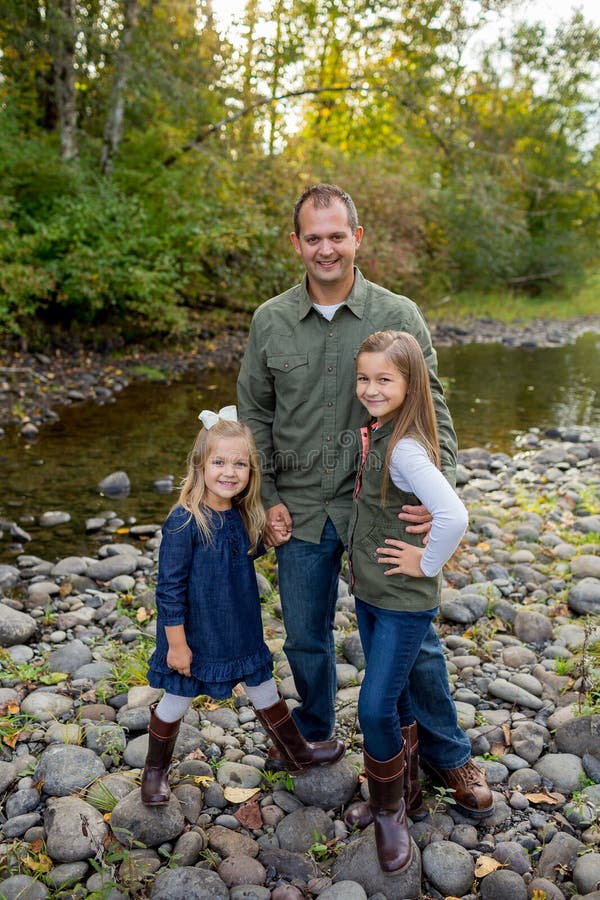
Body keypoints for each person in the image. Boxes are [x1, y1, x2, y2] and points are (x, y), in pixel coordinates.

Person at [237, 183, 492, 819]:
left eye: (337, 235)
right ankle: (315, 730)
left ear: (357, 238)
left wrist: (437, 489)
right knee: (305, 636)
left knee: (414, 640)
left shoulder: (397, 314)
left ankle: (446, 753)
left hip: (379, 504)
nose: (326, 248)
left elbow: (433, 408)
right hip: (298, 506)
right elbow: (254, 416)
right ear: (296, 243)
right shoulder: (270, 320)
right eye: (313, 237)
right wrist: (265, 498)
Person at [141, 406, 344, 806]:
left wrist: (267, 541)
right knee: (176, 699)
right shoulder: (184, 521)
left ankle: (296, 752)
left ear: (251, 471)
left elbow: (237, 556)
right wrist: (177, 645)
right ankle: (154, 770)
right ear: (200, 465)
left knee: (264, 687)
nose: (229, 472)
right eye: (219, 462)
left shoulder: (239, 514)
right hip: (195, 635)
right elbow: (169, 590)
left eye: (240, 464)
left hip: (239, 627)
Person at [347, 330, 474, 873]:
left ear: (410, 383)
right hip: (372, 593)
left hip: (402, 601)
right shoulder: (380, 431)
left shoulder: (405, 448)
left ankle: (389, 812)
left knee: (373, 707)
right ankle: (410, 792)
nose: (371, 389)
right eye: (363, 378)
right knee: (396, 701)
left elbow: (454, 515)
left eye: (384, 379)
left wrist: (426, 562)